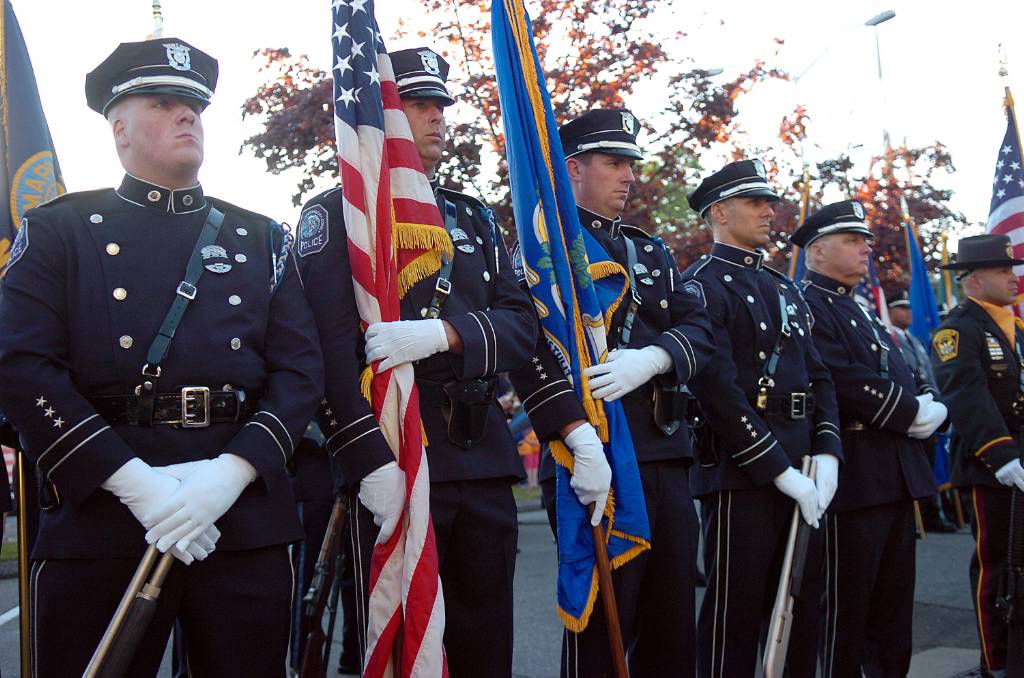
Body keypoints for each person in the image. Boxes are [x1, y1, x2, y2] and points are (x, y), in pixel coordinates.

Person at [0, 38, 323, 677]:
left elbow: (300, 370)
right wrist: (137, 486)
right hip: (104, 510)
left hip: (240, 514)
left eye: (195, 106)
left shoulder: (260, 237)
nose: (188, 116)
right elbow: (20, 363)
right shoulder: (59, 230)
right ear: (118, 128)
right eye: (165, 102)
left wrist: (227, 477)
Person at [294, 47, 536, 677]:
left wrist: (444, 336)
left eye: (439, 106)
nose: (435, 118)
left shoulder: (476, 220)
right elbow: (321, 349)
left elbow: (522, 329)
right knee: (394, 640)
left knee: (486, 643)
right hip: (394, 456)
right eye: (417, 105)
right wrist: (365, 458)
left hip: (478, 455)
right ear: (383, 115)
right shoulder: (335, 215)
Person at [509, 108, 715, 676]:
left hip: (665, 452)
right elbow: (529, 351)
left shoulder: (649, 251)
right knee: (604, 627)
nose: (628, 176)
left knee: (672, 625)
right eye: (614, 162)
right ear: (573, 167)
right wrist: (574, 436)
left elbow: (701, 330)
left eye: (631, 164)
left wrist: (653, 358)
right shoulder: (543, 251)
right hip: (590, 453)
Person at [682, 158, 842, 678]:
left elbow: (818, 375)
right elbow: (717, 390)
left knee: (799, 609)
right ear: (720, 213)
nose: (770, 211)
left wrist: (826, 451)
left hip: (802, 463)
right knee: (737, 615)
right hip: (743, 470)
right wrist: (778, 468)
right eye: (755, 202)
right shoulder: (703, 285)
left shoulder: (783, 287)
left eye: (769, 201)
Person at [793, 200, 943, 677]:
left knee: (893, 614)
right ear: (817, 251)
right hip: (853, 480)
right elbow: (842, 378)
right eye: (853, 241)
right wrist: (910, 412)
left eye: (866, 242)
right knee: (847, 613)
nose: (865, 250)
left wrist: (928, 402)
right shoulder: (807, 304)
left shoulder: (859, 309)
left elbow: (902, 370)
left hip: (893, 476)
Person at [931, 233, 1024, 678]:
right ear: (972, 281)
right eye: (1003, 270)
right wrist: (1003, 456)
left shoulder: (1015, 327)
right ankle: (995, 662)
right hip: (993, 468)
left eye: (1011, 268)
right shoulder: (958, 329)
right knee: (996, 564)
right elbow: (966, 396)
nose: (1013, 277)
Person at [888, 290, 958, 533]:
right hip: (911, 411)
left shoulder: (915, 340)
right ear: (890, 312)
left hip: (930, 410)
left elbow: (927, 374)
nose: (908, 312)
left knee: (930, 464)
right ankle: (921, 517)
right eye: (901, 308)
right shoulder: (890, 339)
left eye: (909, 307)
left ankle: (933, 512)